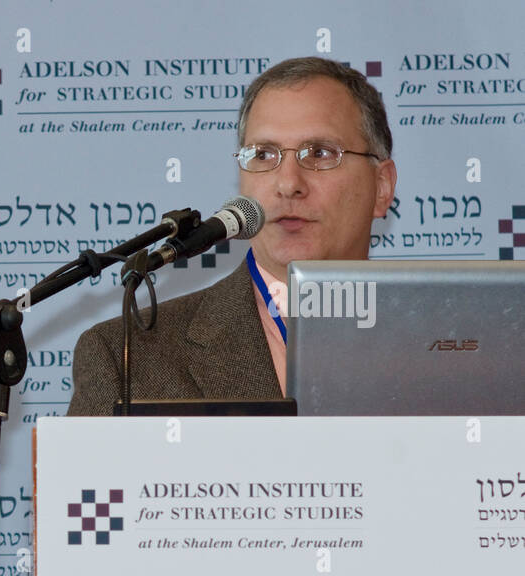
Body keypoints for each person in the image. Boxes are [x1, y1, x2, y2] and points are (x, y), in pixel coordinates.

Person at [67, 57, 398, 416]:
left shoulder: (454, 340)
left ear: (381, 188)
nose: (288, 184)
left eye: (319, 153)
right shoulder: (126, 358)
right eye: (263, 155)